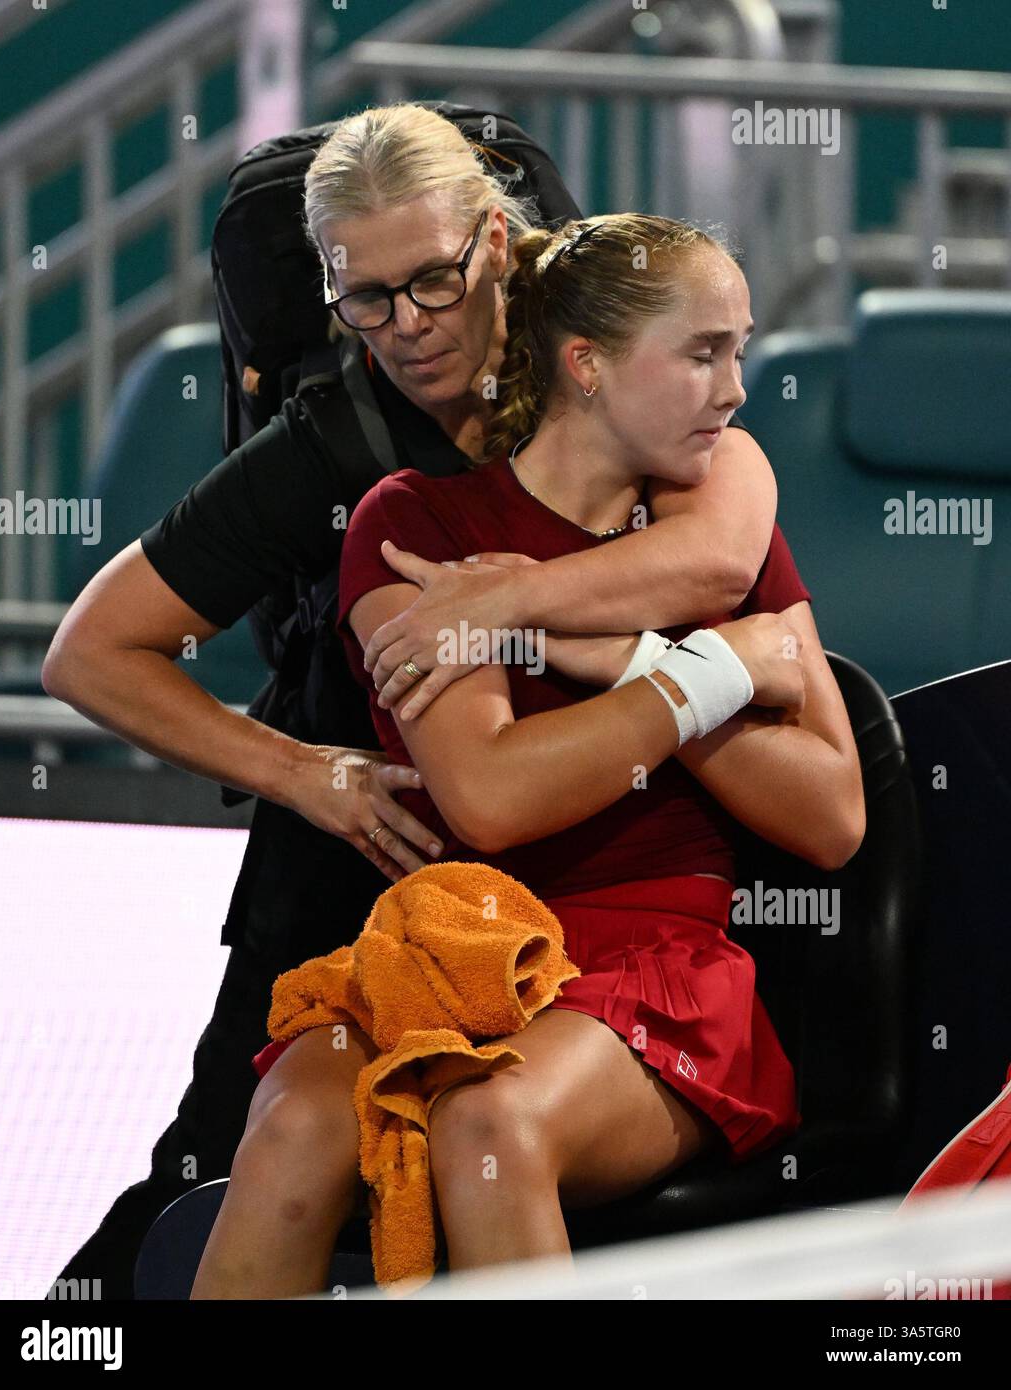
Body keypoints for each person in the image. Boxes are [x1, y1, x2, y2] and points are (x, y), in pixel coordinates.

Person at [42, 103, 779, 1300]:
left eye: (433, 279)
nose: (407, 325)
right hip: (379, 845)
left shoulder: (598, 352)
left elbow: (723, 548)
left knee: (489, 1136)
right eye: (366, 299)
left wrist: (503, 604)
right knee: (230, 1158)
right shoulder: (334, 444)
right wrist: (302, 773)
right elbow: (89, 652)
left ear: (496, 241)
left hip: (620, 873)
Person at [188, 211, 865, 1298]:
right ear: (586, 366)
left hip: (658, 972)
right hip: (453, 954)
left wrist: (604, 655)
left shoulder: (715, 521)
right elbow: (493, 797)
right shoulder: (415, 524)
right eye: (702, 353)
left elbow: (832, 814)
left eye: (738, 351)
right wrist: (704, 677)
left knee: (486, 1118)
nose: (735, 388)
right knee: (290, 1127)